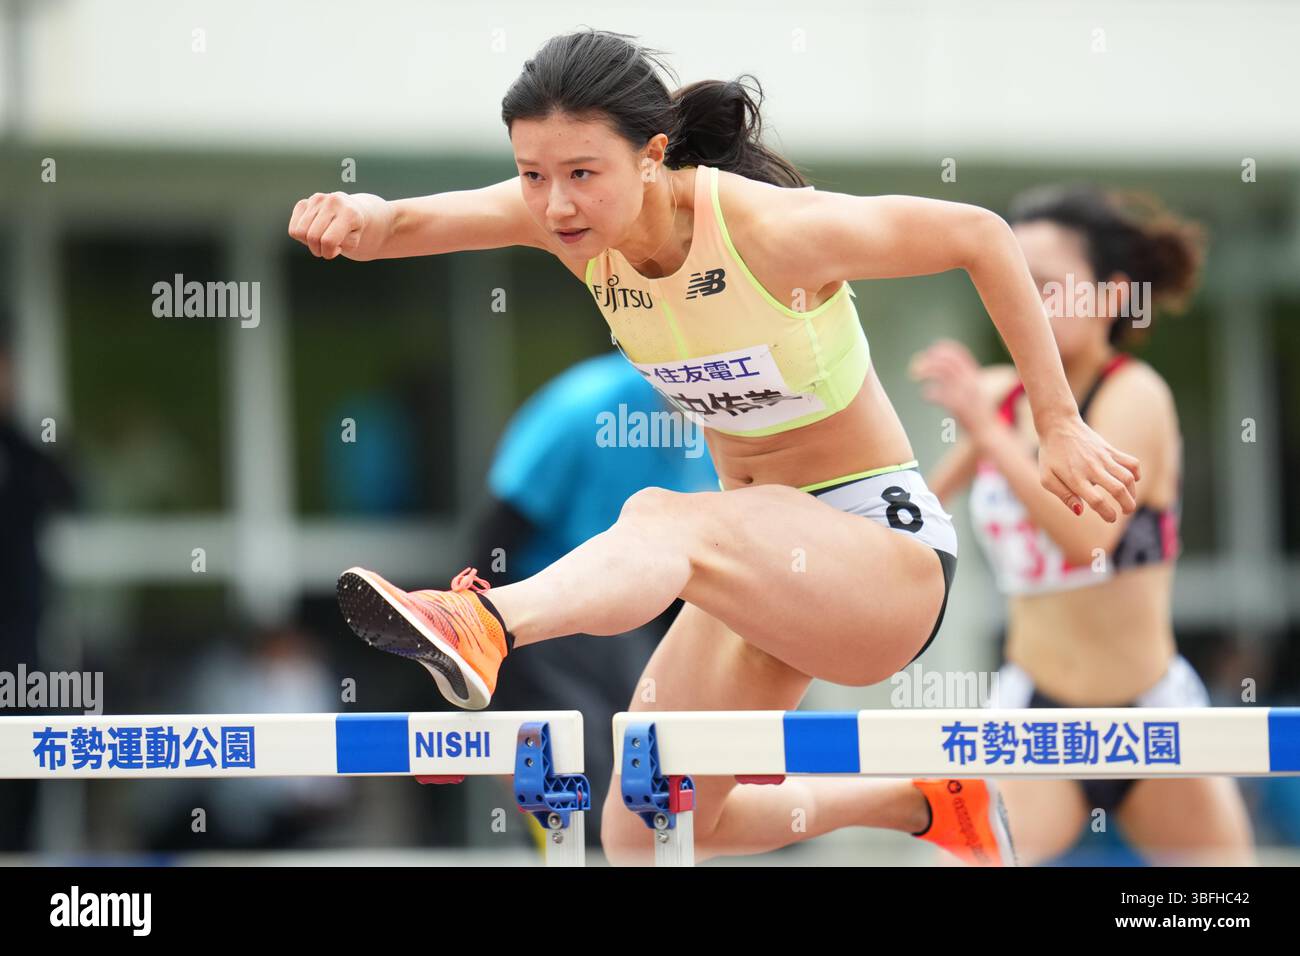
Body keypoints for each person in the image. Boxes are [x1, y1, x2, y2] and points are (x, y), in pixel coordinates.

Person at [288, 29, 1140, 866]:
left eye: (584, 174)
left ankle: (483, 619)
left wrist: (1058, 422)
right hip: (758, 574)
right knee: (645, 828)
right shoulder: (567, 223)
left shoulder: (770, 231)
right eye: (532, 175)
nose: (555, 205)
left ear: (653, 155)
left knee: (662, 516)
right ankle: (923, 802)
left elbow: (980, 236)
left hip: (883, 562)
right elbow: (399, 221)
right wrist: (354, 216)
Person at [912, 185, 1255, 865]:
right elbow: (920, 515)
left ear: (1109, 295)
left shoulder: (1136, 396)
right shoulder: (997, 394)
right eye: (1014, 285)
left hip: (1147, 717)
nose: (1025, 307)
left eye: (1047, 286)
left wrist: (993, 435)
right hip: (1037, 714)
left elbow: (1087, 540)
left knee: (1226, 905)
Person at [468, 350, 717, 846]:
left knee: (641, 760)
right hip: (544, 613)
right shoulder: (584, 406)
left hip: (630, 617)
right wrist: (495, 655)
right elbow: (496, 531)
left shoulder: (709, 422)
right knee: (579, 765)